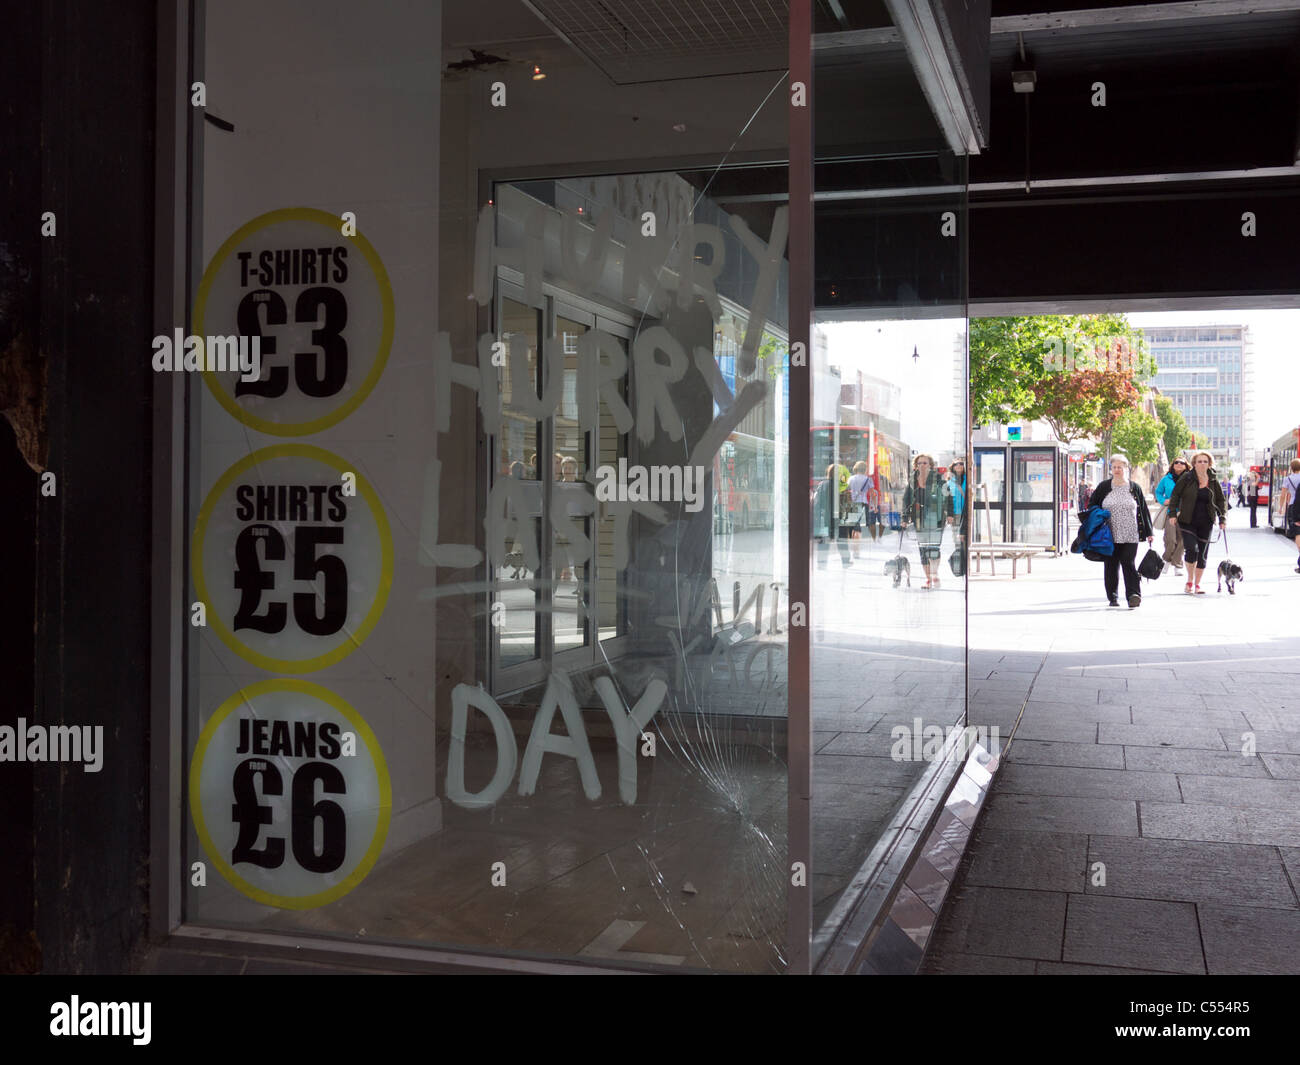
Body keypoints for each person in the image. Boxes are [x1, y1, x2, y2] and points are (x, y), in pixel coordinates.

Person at [1088, 454, 1154, 608]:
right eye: (1114, 467)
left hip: (1131, 533)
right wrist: (1098, 515)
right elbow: (1092, 505)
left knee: (1128, 563)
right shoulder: (1104, 487)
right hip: (1108, 534)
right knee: (1111, 564)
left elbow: (1143, 510)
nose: (1117, 470)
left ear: (1126, 468)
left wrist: (1149, 531)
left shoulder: (1134, 487)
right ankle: (1113, 597)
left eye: (1120, 467)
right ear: (1111, 469)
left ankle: (1133, 595)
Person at [1168, 451, 1227, 595]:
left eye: (1205, 461)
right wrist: (1172, 514)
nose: (1202, 464)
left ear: (1209, 464)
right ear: (1194, 463)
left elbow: (1221, 500)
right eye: (1199, 461)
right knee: (1192, 550)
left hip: (1206, 521)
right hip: (1187, 520)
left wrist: (1222, 518)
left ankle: (1198, 584)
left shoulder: (1213, 480)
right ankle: (1189, 580)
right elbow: (1175, 495)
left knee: (1202, 554)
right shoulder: (1187, 477)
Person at [902, 454, 945, 589]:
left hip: (936, 518)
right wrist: (904, 518)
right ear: (916, 465)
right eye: (919, 463)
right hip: (919, 518)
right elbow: (906, 500)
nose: (922, 465)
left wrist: (949, 514)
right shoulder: (912, 481)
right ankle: (928, 579)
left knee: (934, 548)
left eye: (925, 463)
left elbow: (947, 497)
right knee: (923, 549)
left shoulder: (938, 479)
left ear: (930, 465)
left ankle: (934, 573)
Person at [1154, 457, 1188, 575]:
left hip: (1186, 513)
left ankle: (1177, 565)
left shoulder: (1189, 478)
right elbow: (1158, 492)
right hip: (1171, 512)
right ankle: (1166, 559)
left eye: (1182, 462)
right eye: (1176, 462)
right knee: (1170, 539)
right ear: (1173, 465)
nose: (1179, 464)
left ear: (1186, 465)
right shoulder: (1166, 479)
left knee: (1182, 540)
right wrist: (1163, 501)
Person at [814, 464, 851, 568]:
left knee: (823, 542)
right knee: (842, 541)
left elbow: (817, 503)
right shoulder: (843, 485)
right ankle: (845, 562)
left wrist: (817, 516)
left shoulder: (822, 485)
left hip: (825, 518)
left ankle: (821, 564)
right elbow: (848, 503)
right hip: (840, 518)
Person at [1277, 458, 1300, 573]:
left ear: (1291, 467)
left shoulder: (1288, 479)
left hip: (1293, 508)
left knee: (1297, 534)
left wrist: (1281, 507)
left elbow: (1283, 495)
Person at [847, 461, 871, 557]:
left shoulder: (851, 478)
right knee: (858, 527)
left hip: (853, 503)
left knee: (853, 525)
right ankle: (856, 550)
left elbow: (847, 490)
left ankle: (853, 548)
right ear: (865, 469)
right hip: (863, 503)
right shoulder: (867, 479)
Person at [944, 459, 969, 552]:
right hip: (955, 514)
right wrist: (949, 515)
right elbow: (947, 500)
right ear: (953, 467)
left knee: (966, 537)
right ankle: (958, 555)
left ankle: (965, 555)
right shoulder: (949, 482)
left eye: (961, 464)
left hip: (966, 513)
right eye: (956, 464)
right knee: (956, 538)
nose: (959, 465)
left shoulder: (968, 479)